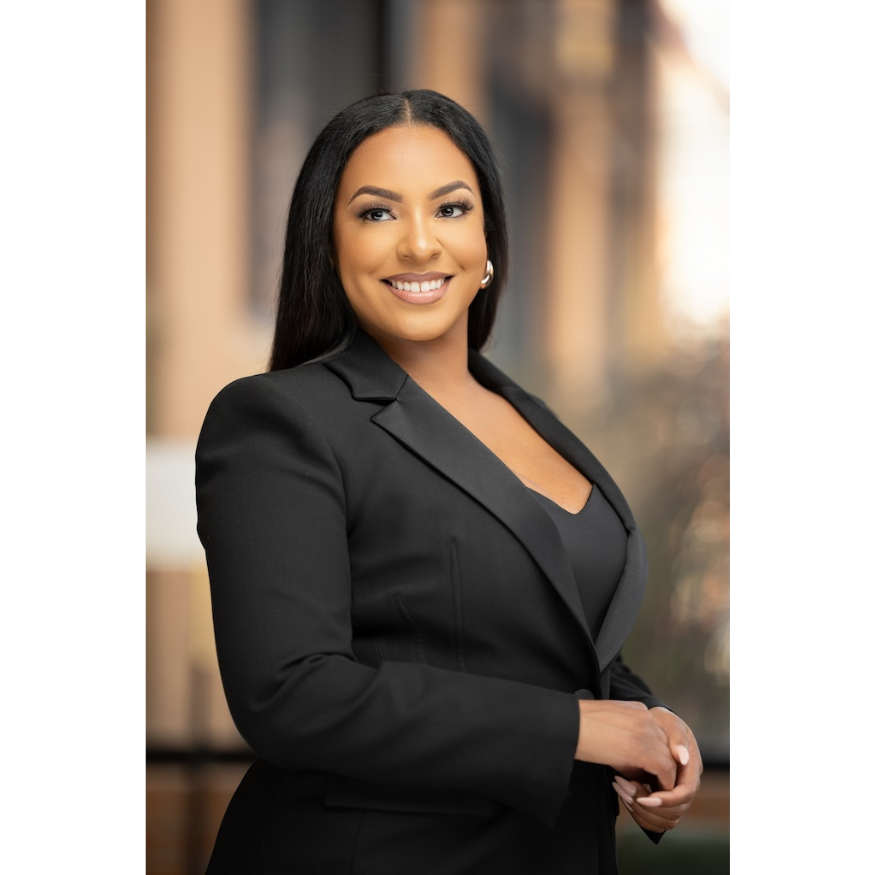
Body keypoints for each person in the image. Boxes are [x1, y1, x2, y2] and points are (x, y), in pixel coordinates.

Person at [195, 88, 703, 875]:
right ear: (327, 244)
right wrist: (576, 729)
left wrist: (648, 722)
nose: (418, 242)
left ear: (487, 238)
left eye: (450, 208)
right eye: (376, 212)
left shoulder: (532, 416)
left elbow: (552, 639)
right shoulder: (279, 420)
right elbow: (291, 692)